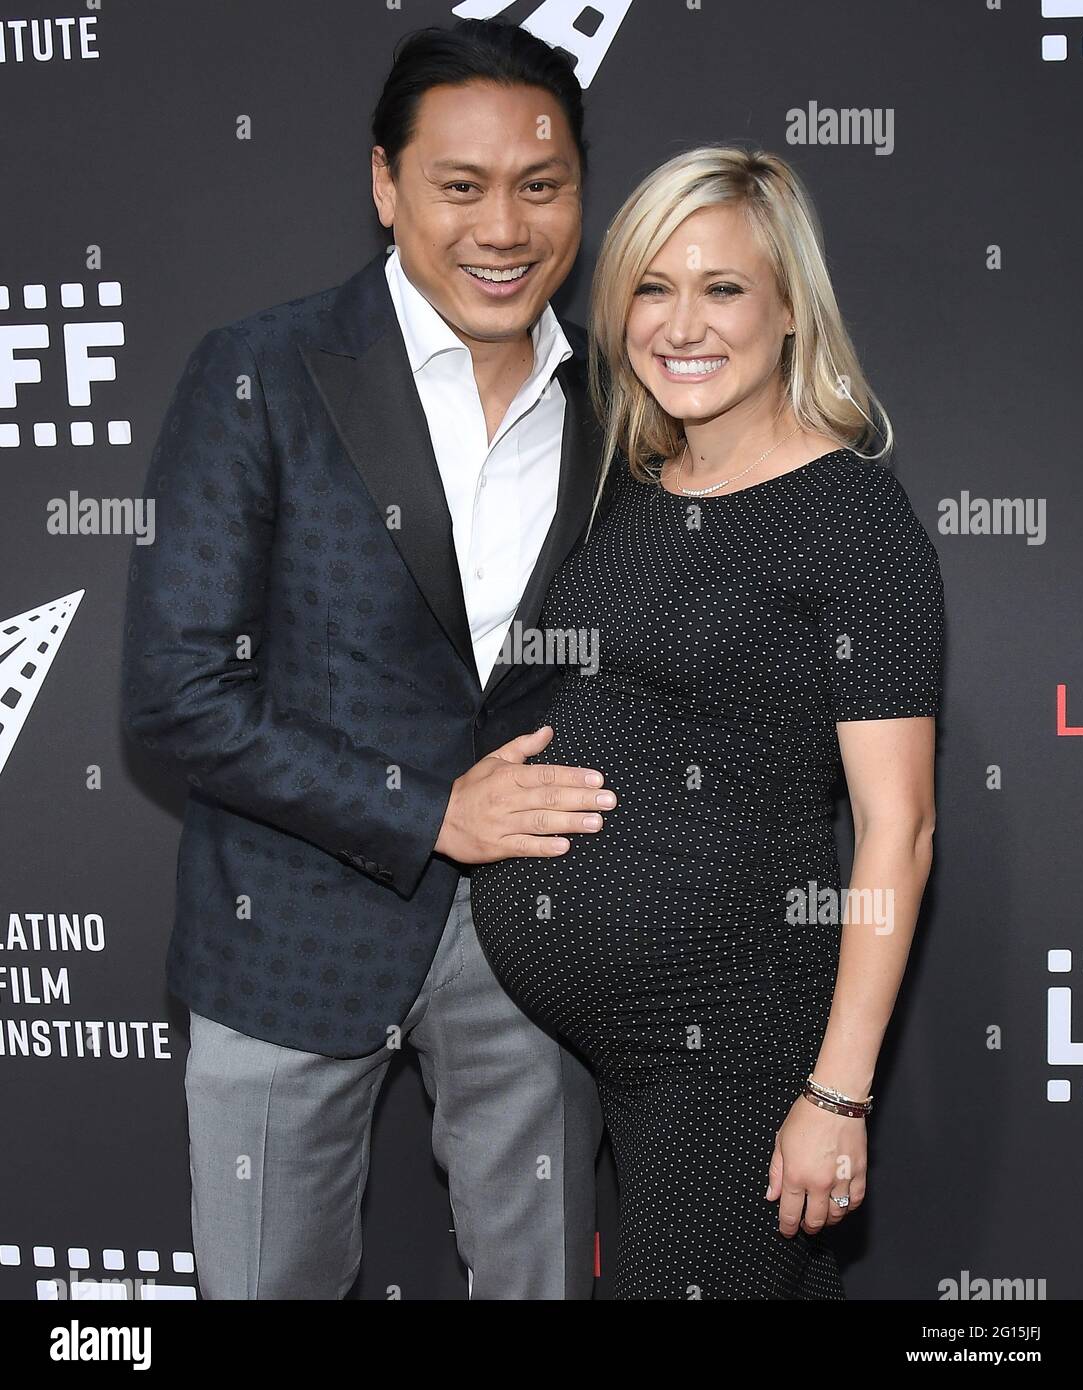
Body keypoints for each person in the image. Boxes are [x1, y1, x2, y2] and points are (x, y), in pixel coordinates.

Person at [120, 19, 616, 1300]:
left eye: (538, 184)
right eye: (459, 186)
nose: (502, 226)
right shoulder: (258, 372)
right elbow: (176, 693)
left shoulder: (627, 399)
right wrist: (432, 812)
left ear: (578, 191)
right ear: (385, 185)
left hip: (536, 931)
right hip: (285, 928)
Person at [471, 145, 945, 1299]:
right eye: (651, 286)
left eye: (721, 288)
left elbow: (901, 831)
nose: (680, 324)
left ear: (788, 309)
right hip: (570, 1049)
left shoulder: (852, 521)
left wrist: (834, 1096)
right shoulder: (625, 483)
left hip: (728, 1045)